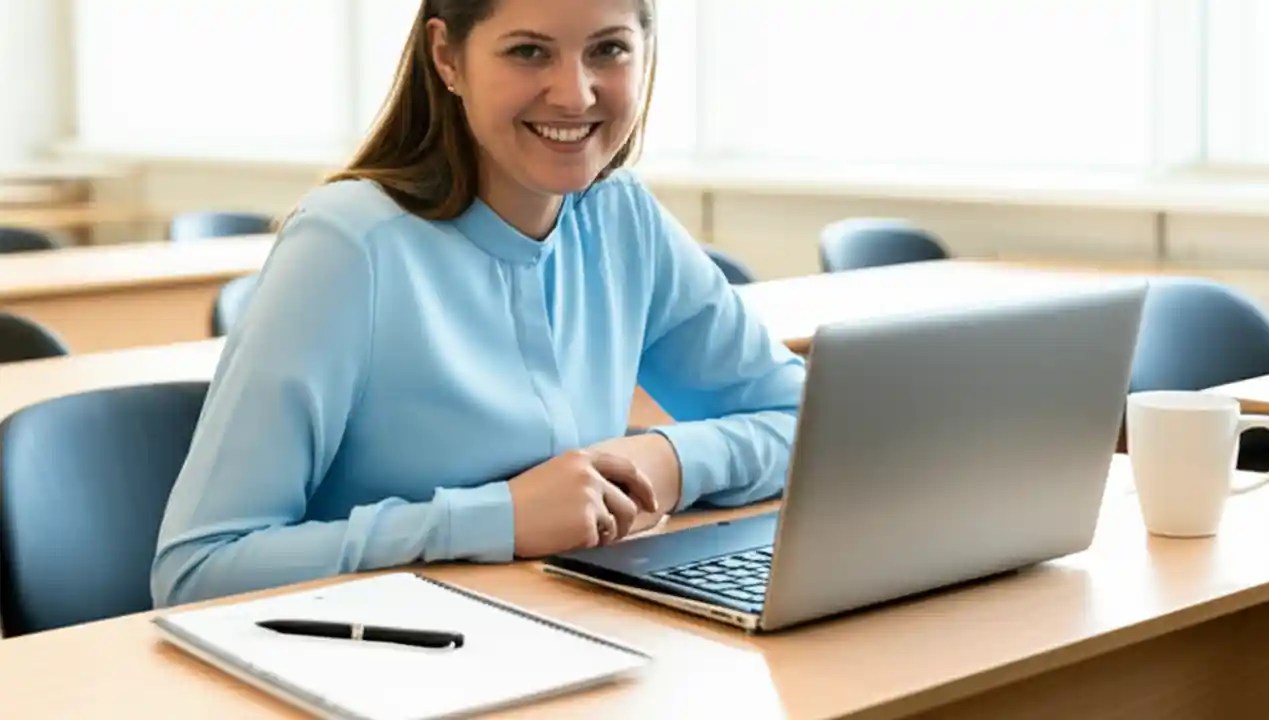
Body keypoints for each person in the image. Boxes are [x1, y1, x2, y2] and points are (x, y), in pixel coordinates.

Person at [151, 0, 805, 608]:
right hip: (379, 663)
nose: (575, 94)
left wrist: (668, 460)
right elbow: (199, 569)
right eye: (528, 52)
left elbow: (799, 417)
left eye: (608, 50)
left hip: (566, 632)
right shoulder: (349, 245)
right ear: (447, 58)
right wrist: (499, 518)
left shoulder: (620, 215)